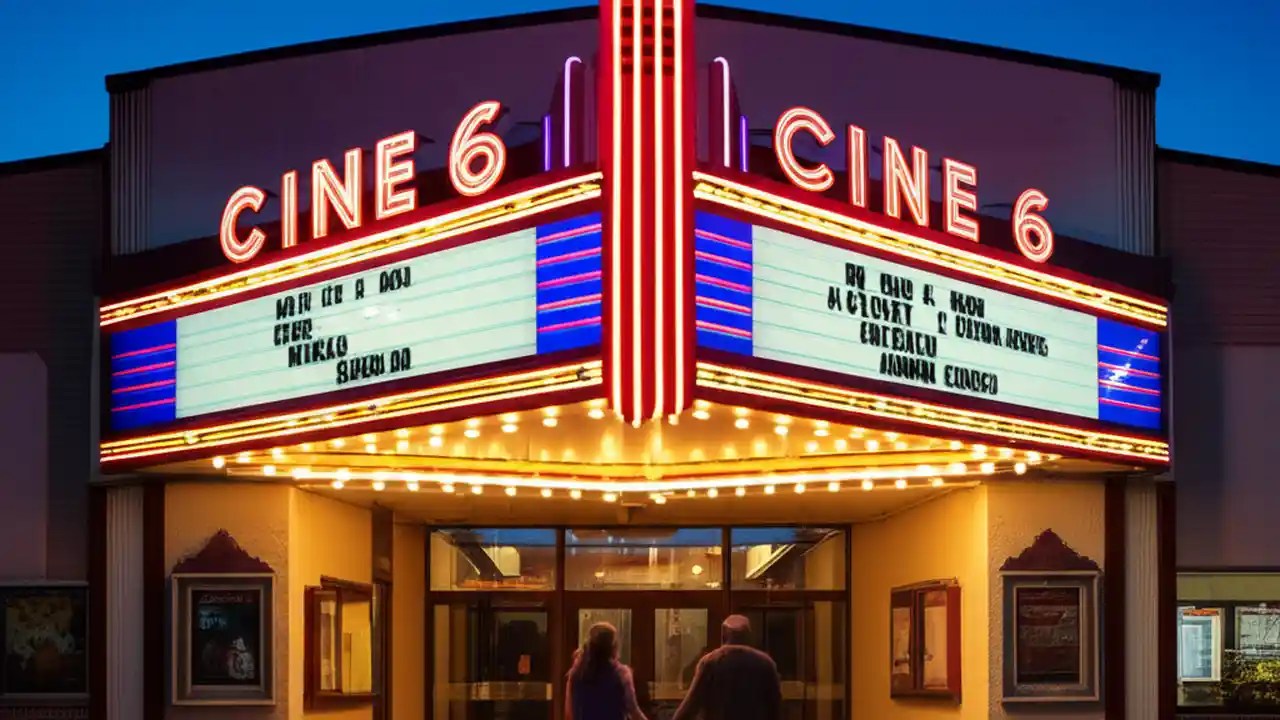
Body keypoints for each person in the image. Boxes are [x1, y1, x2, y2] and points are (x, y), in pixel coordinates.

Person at [670, 615, 782, 720]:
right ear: (749, 636)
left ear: (723, 636)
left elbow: (691, 706)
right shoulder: (765, 663)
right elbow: (775, 707)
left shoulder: (711, 662)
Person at [566, 622, 648, 720]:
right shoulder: (621, 673)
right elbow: (633, 711)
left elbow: (570, 713)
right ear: (614, 646)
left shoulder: (577, 674)